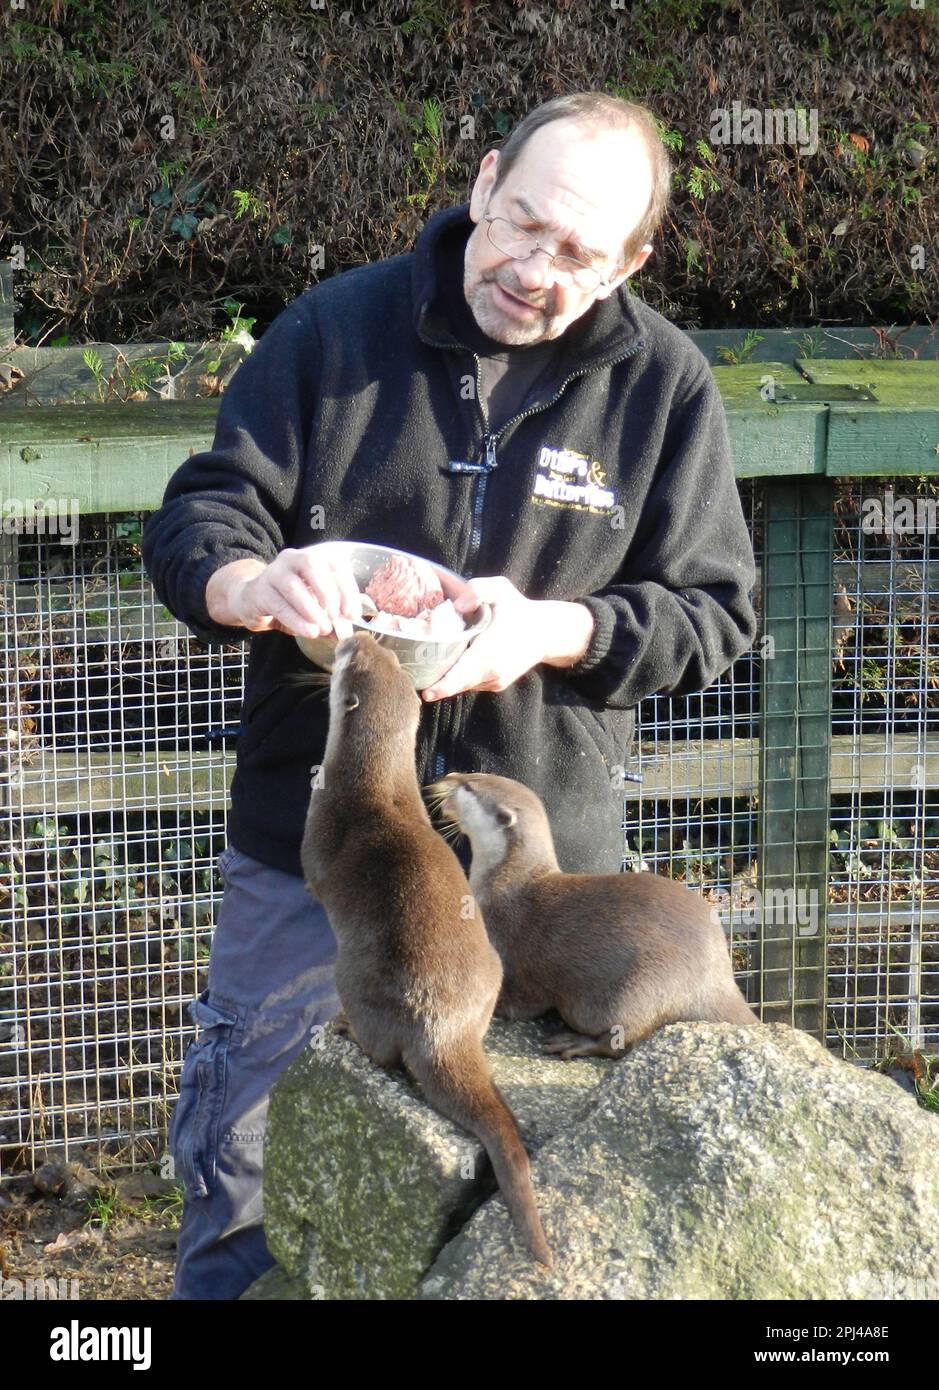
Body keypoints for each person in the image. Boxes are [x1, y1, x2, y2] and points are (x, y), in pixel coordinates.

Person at [141, 90, 757, 1299]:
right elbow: (196, 520)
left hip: (539, 894)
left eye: (578, 253)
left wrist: (555, 628)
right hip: (320, 864)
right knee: (247, 1180)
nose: (534, 267)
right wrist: (262, 578)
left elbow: (717, 612)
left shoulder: (666, 389)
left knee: (504, 1193)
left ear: (633, 260)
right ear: (482, 185)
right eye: (521, 224)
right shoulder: (334, 331)